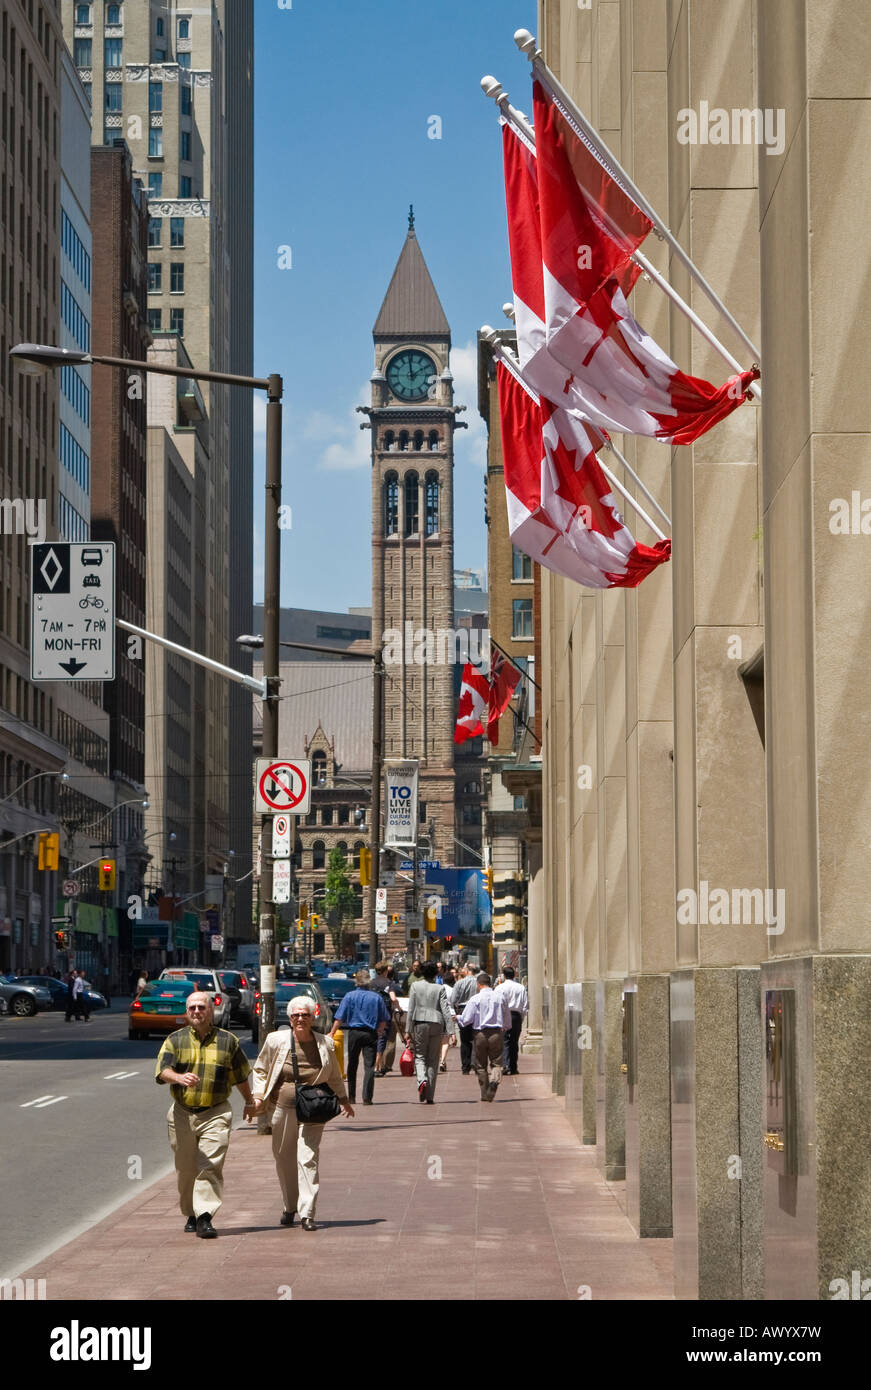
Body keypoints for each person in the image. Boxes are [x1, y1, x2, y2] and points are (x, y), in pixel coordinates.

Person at [155, 990, 256, 1238]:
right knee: (186, 1168)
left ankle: (205, 1216)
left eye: (202, 1007)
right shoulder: (175, 1040)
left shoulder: (228, 1041)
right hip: (182, 1113)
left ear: (211, 1011)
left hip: (216, 1112)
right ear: (187, 1012)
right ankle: (191, 1212)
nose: (197, 1012)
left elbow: (241, 1076)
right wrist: (178, 1077)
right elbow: (162, 1071)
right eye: (192, 1008)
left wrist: (250, 1102)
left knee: (209, 1165)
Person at [251, 995, 353, 1231]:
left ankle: (308, 1213)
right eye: (296, 1015)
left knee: (308, 1158)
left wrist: (344, 1100)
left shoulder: (325, 1043)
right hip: (283, 1107)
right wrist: (258, 1096)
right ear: (289, 1017)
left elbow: (335, 1075)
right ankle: (289, 1206)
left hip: (314, 1108)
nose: (300, 1019)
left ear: (313, 1017)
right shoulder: (276, 1040)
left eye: (305, 1015)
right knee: (284, 1158)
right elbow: (260, 1069)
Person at [329, 969, 389, 1105]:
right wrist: (380, 1031)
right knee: (369, 1066)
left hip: (354, 1033)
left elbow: (339, 1017)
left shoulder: (349, 996)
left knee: (352, 1064)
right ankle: (367, 1097)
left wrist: (332, 1032)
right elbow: (384, 1019)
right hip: (370, 1033)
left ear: (357, 982)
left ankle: (351, 1097)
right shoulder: (376, 997)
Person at [404, 961, 454, 1103]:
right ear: (436, 973)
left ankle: (421, 1079)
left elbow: (411, 1009)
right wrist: (451, 1031)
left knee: (420, 1056)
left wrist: (408, 1030)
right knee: (433, 1059)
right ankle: (430, 1096)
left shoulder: (415, 986)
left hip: (419, 1022)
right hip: (437, 1023)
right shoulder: (439, 988)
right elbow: (445, 1009)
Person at [459, 972, 513, 1102]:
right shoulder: (500, 997)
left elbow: (466, 1019)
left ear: (478, 984)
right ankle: (494, 1080)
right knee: (496, 1062)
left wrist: (458, 1018)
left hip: (480, 1034)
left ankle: (484, 1093)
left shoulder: (475, 999)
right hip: (496, 1033)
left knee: (480, 1065)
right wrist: (505, 1027)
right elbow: (507, 1016)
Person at [493, 967, 529, 1075]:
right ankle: (513, 1066)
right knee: (514, 1042)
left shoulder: (499, 988)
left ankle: (505, 1065)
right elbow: (525, 1005)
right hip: (516, 1016)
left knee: (504, 1041)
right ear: (515, 975)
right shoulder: (521, 988)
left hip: (503, 1015)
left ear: (504, 975)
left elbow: (495, 1004)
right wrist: (521, 1017)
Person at [372, 961, 399, 1077]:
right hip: (384, 1014)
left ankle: (379, 1065)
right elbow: (393, 998)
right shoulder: (388, 983)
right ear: (386, 971)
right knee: (382, 1040)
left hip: (372, 1015)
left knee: (374, 1039)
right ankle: (376, 1067)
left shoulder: (371, 983)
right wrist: (399, 1008)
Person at [451, 965, 479, 1075]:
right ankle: (476, 1063)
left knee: (465, 1040)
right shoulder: (479, 982)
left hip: (462, 1010)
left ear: (467, 971)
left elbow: (453, 999)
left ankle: (465, 1066)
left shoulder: (459, 983)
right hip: (476, 1010)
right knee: (476, 1037)